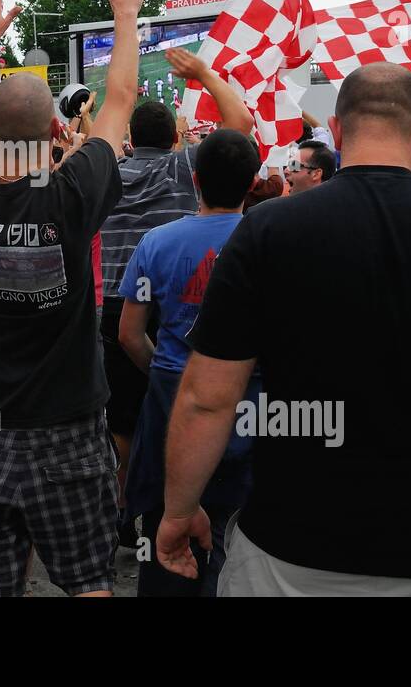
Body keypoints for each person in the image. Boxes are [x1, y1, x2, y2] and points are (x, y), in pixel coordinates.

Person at [158, 62, 411, 596]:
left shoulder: (269, 228)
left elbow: (208, 398)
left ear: (337, 133)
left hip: (291, 542)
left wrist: (178, 511)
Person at [0, 0, 154, 598]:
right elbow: (120, 100)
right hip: (66, 428)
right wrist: (126, 15)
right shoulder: (72, 194)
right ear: (55, 132)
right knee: (89, 581)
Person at [99, 53, 253, 546]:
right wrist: (204, 75)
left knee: (125, 419)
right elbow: (239, 128)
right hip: (179, 301)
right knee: (192, 410)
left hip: (117, 305)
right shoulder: (180, 168)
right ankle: (193, 505)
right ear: (173, 141)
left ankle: (130, 512)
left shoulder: (105, 174)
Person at [119, 128, 261, 596]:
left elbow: (129, 334)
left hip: (169, 408)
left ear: (195, 180)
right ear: (254, 181)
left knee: (164, 536)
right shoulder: (270, 239)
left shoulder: (155, 243)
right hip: (249, 406)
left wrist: (165, 371)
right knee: (238, 542)